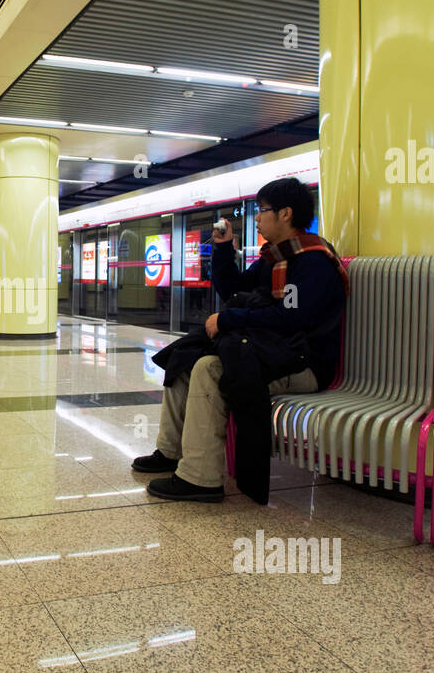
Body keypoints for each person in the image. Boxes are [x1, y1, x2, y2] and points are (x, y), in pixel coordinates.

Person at [132, 177, 348, 504]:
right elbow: (234, 289)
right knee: (186, 360)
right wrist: (222, 249)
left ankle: (200, 479)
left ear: (286, 214)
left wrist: (229, 319)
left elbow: (291, 318)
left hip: (304, 362)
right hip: (273, 352)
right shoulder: (274, 259)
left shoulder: (311, 262)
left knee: (210, 368)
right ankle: (170, 452)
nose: (257, 218)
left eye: (262, 211)